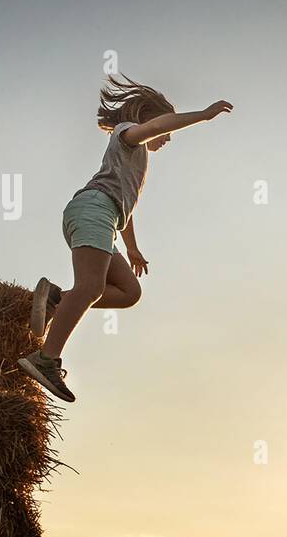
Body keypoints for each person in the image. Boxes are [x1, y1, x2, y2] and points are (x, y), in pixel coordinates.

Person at [18, 75, 232, 401]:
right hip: (93, 211)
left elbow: (124, 209)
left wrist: (132, 248)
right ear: (152, 120)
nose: (168, 137)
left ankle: (57, 300)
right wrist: (202, 115)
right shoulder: (127, 136)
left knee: (130, 292)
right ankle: (46, 359)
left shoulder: (136, 161)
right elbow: (148, 135)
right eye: (166, 129)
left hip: (104, 216)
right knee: (90, 287)